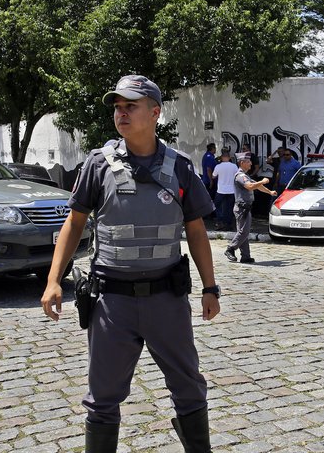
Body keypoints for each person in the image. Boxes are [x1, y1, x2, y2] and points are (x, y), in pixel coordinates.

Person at [41, 75, 219, 453]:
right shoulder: (97, 164)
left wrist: (210, 287)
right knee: (102, 397)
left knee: (189, 388)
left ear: (155, 112)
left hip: (166, 301)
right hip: (112, 303)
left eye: (131, 106)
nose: (121, 113)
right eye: (118, 107)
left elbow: (197, 231)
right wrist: (53, 280)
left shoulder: (181, 167)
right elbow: (73, 223)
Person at [224, 153, 276, 264]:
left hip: (245, 208)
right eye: (248, 161)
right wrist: (262, 181)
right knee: (244, 231)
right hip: (242, 208)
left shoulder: (245, 176)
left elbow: (257, 186)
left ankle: (245, 256)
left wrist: (269, 192)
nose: (251, 163)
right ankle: (231, 248)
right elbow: (250, 186)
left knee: (243, 232)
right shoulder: (240, 176)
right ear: (242, 163)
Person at [212, 150, 238, 231]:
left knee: (217, 206)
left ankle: (220, 221)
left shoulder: (218, 166)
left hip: (221, 190)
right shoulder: (234, 166)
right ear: (229, 158)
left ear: (222, 158)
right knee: (230, 207)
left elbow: (213, 176)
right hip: (231, 190)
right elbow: (237, 176)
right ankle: (229, 223)